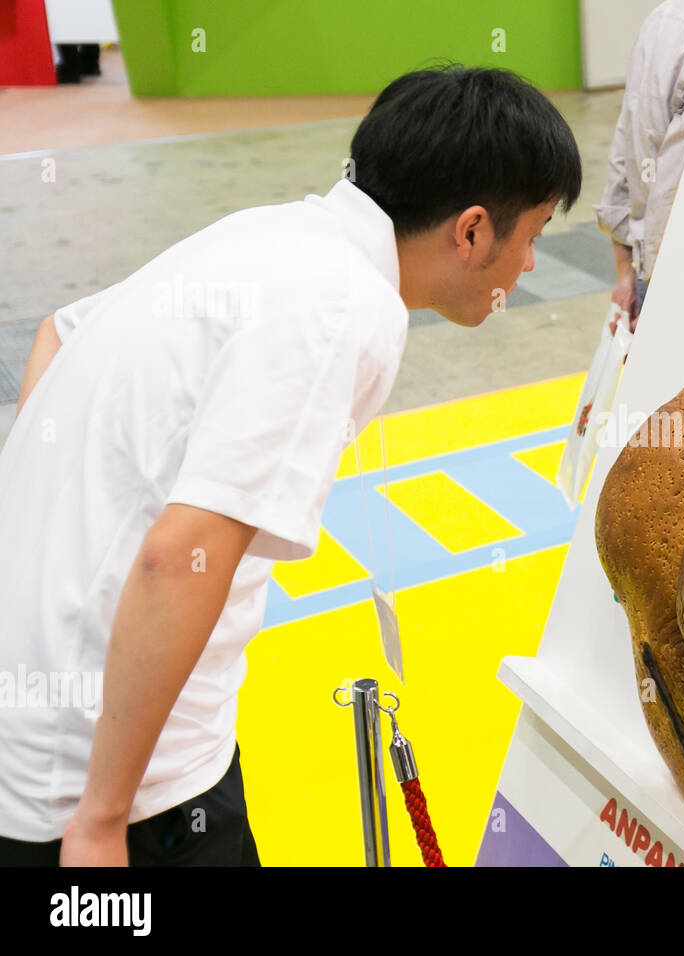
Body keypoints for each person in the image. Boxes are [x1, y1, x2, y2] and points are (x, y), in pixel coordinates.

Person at [0, 65, 581, 867]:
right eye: (536, 234)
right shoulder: (346, 308)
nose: (532, 265)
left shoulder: (267, 235)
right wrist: (101, 820)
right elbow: (179, 557)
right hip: (116, 789)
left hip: (43, 719)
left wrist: (53, 540)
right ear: (474, 230)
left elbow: (57, 335)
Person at [595, 0, 684, 333]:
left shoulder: (663, 17)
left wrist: (627, 270)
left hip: (655, 269)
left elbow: (627, 142)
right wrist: (664, 303)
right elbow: (679, 179)